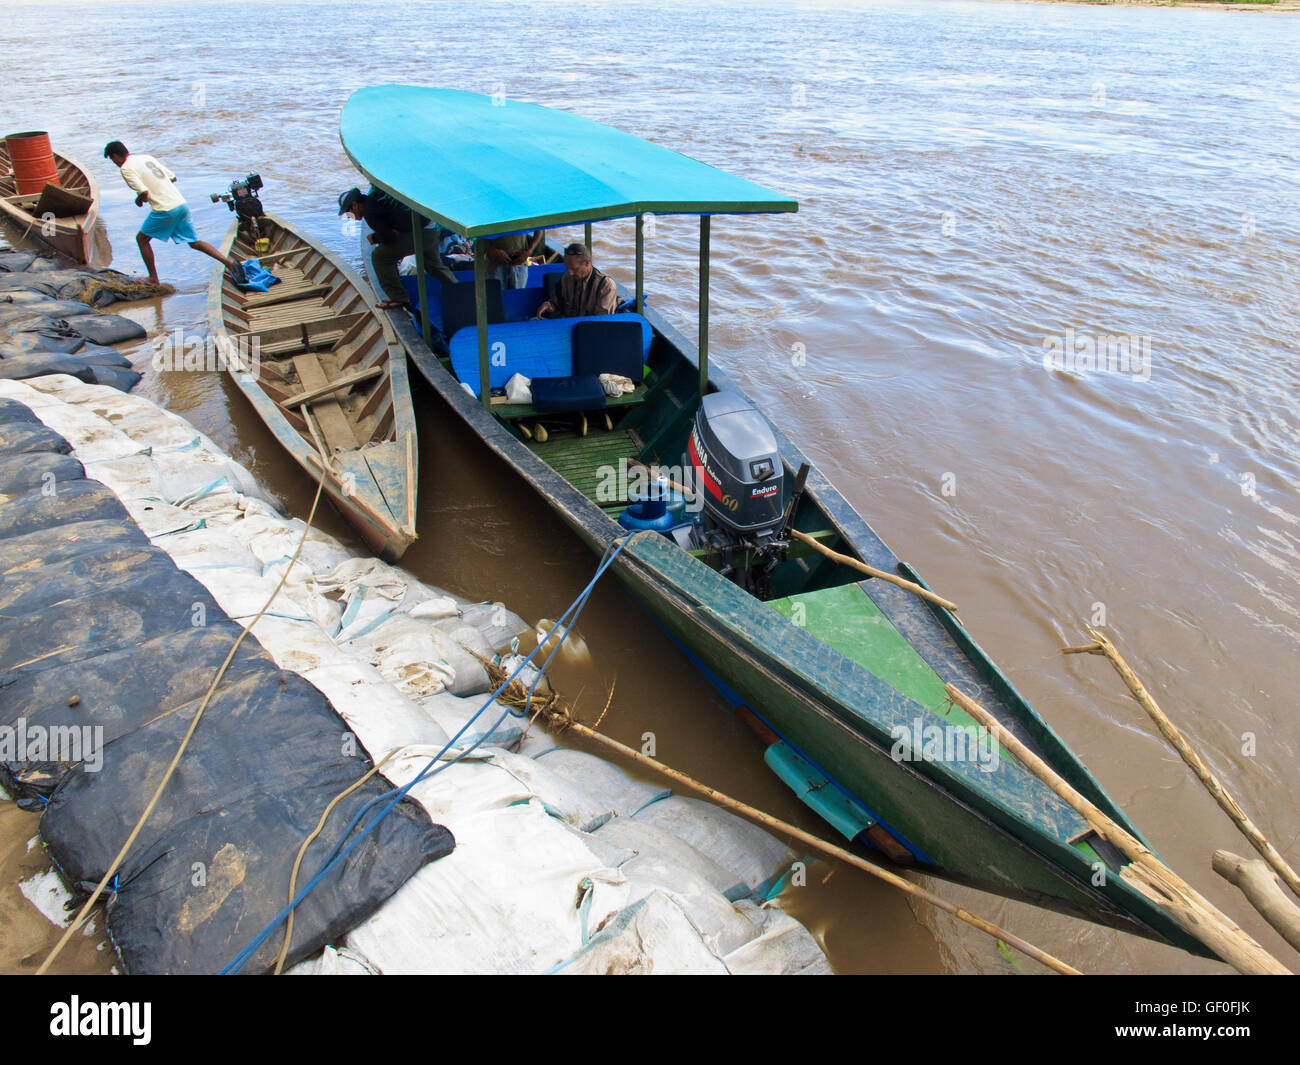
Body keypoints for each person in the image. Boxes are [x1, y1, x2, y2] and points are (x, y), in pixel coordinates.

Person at [103, 141, 245, 286]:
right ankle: (228, 262)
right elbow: (172, 177)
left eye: (113, 160)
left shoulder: (126, 168)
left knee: (142, 239)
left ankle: (153, 278)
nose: (115, 163)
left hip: (165, 209)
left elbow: (144, 193)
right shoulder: (146, 158)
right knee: (194, 242)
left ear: (115, 156)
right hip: (180, 204)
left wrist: (139, 201)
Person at [338, 187, 455, 308]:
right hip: (432, 228)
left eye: (348, 213)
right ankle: (457, 287)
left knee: (380, 257)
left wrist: (375, 238)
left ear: (355, 205)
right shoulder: (374, 200)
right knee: (433, 265)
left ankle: (399, 297)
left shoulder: (369, 211)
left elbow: (389, 237)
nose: (349, 217)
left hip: (421, 234)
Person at [535, 243, 619, 319]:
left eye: (574, 269)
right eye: (568, 268)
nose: (570, 273)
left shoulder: (606, 285)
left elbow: (602, 321)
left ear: (587, 263)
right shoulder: (566, 278)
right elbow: (557, 304)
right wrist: (549, 306)